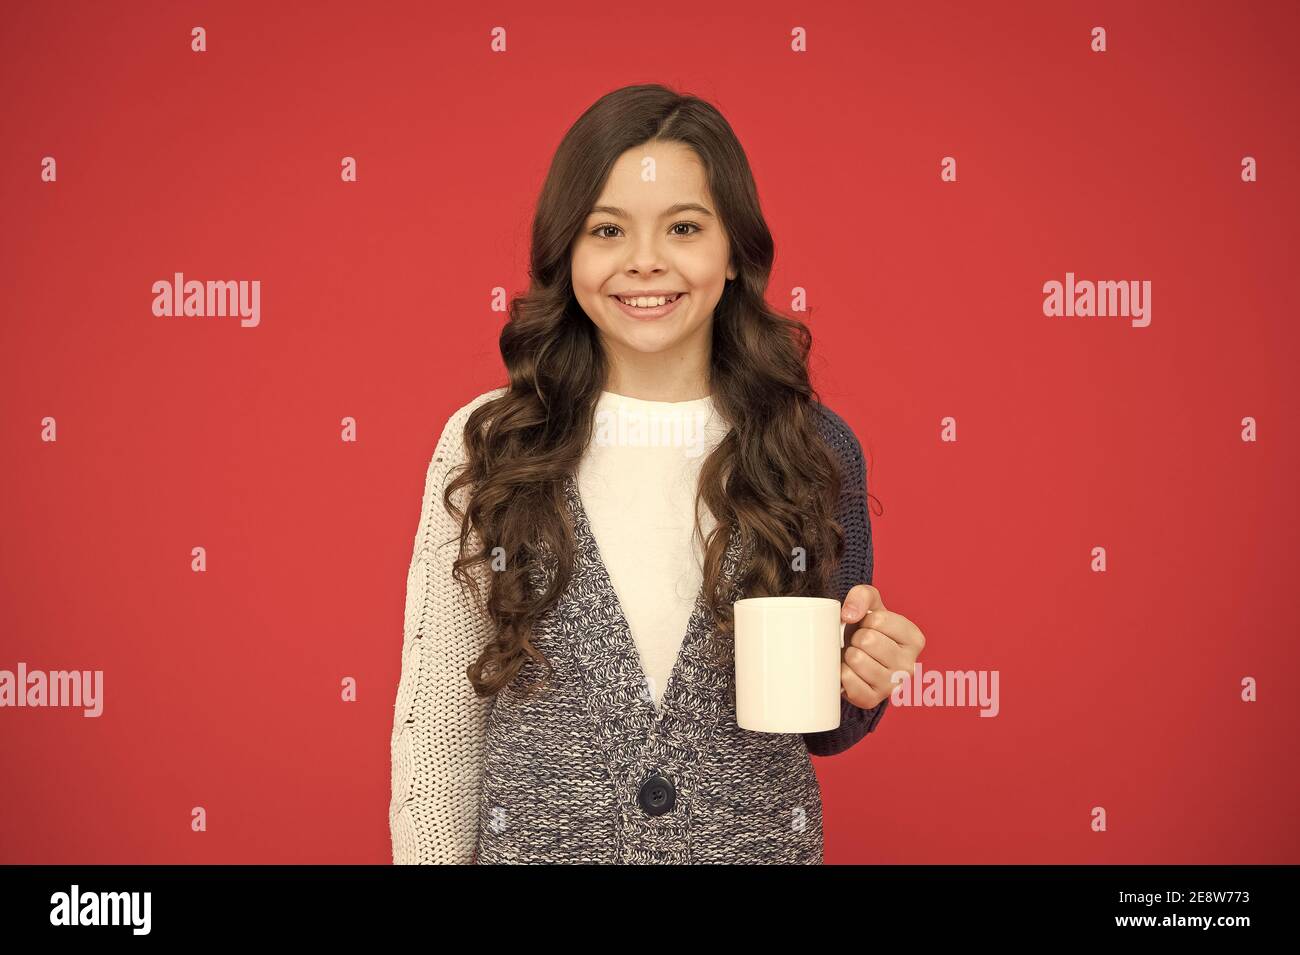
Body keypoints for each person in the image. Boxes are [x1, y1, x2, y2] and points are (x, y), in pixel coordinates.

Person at [389, 83, 926, 864]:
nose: (645, 261)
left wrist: (863, 677)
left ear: (735, 251)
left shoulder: (810, 447)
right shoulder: (490, 445)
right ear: (566, 250)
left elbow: (822, 725)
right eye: (608, 229)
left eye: (683, 227)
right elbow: (439, 723)